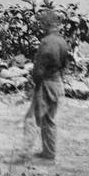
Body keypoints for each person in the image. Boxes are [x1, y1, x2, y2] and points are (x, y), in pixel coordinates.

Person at [30, 10, 71, 161]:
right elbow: (65, 64)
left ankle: (49, 153)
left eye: (42, 24)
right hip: (57, 82)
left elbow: (39, 68)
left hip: (46, 83)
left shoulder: (46, 42)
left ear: (46, 25)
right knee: (50, 117)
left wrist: (36, 82)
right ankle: (48, 151)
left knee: (46, 119)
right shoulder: (62, 42)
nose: (41, 27)